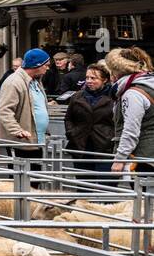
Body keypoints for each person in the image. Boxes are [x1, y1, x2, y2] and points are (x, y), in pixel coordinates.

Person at [0, 47, 51, 175]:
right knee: (22, 179)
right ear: (37, 65)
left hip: (37, 140)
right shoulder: (14, 82)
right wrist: (17, 130)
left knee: (35, 178)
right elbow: (5, 110)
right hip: (21, 142)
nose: (48, 68)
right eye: (46, 65)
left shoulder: (36, 81)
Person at [106, 47, 154, 175]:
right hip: (148, 155)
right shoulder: (149, 85)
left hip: (143, 157)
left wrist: (119, 158)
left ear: (117, 71)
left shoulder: (132, 93)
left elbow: (131, 129)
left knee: (142, 193)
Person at [64, 63, 115, 183]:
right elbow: (69, 118)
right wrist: (72, 133)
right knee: (84, 185)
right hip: (81, 145)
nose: (89, 81)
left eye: (94, 78)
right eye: (87, 78)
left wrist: (111, 136)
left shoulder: (114, 97)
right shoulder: (77, 97)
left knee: (106, 186)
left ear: (105, 80)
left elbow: (119, 122)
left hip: (105, 146)